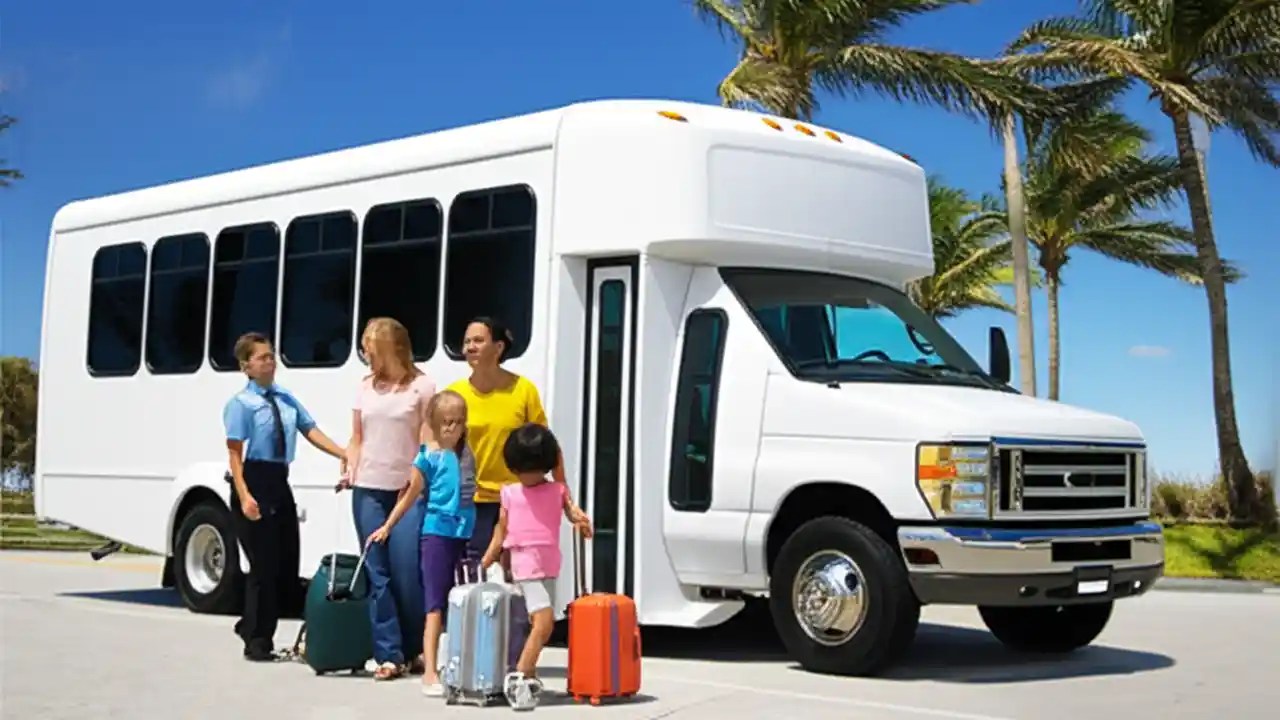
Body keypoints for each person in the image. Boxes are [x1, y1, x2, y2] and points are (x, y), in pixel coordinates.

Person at [222, 331, 346, 662]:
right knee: (262, 567)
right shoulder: (241, 405)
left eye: (271, 355)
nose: (270, 361)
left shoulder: (285, 398)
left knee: (287, 561)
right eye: (262, 357)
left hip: (279, 480)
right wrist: (245, 496)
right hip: (254, 478)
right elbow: (235, 454)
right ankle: (258, 640)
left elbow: (310, 429)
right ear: (246, 366)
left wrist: (343, 453)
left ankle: (249, 623)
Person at [341, 317, 437, 680]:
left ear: (390, 348)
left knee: (408, 572)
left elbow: (427, 442)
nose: (366, 356)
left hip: (407, 491)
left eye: (370, 348)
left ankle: (414, 647)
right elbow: (357, 438)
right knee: (376, 573)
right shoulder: (364, 387)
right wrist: (349, 469)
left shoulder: (422, 388)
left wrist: (416, 481)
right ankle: (388, 654)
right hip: (368, 488)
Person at [369, 389, 476, 697]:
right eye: (447, 423)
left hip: (463, 532)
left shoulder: (467, 453)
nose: (453, 429)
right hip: (437, 533)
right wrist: (388, 526)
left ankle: (454, 664)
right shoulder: (427, 456)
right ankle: (429, 670)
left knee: (462, 602)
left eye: (459, 422)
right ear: (434, 422)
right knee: (434, 604)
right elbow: (410, 494)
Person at [481, 423, 592, 710]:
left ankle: (526, 675)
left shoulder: (557, 490)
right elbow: (501, 529)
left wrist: (582, 521)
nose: (526, 475)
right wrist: (491, 554)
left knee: (539, 622)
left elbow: (573, 512)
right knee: (544, 623)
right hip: (525, 562)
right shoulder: (510, 493)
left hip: (550, 563)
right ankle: (521, 675)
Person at [447, 317, 568, 563]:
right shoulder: (454, 394)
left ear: (499, 347)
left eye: (478, 340)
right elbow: (439, 449)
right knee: (475, 572)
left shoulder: (523, 390)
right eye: (466, 342)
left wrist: (566, 499)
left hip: (520, 499)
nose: (470, 347)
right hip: (472, 502)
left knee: (521, 572)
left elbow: (546, 446)